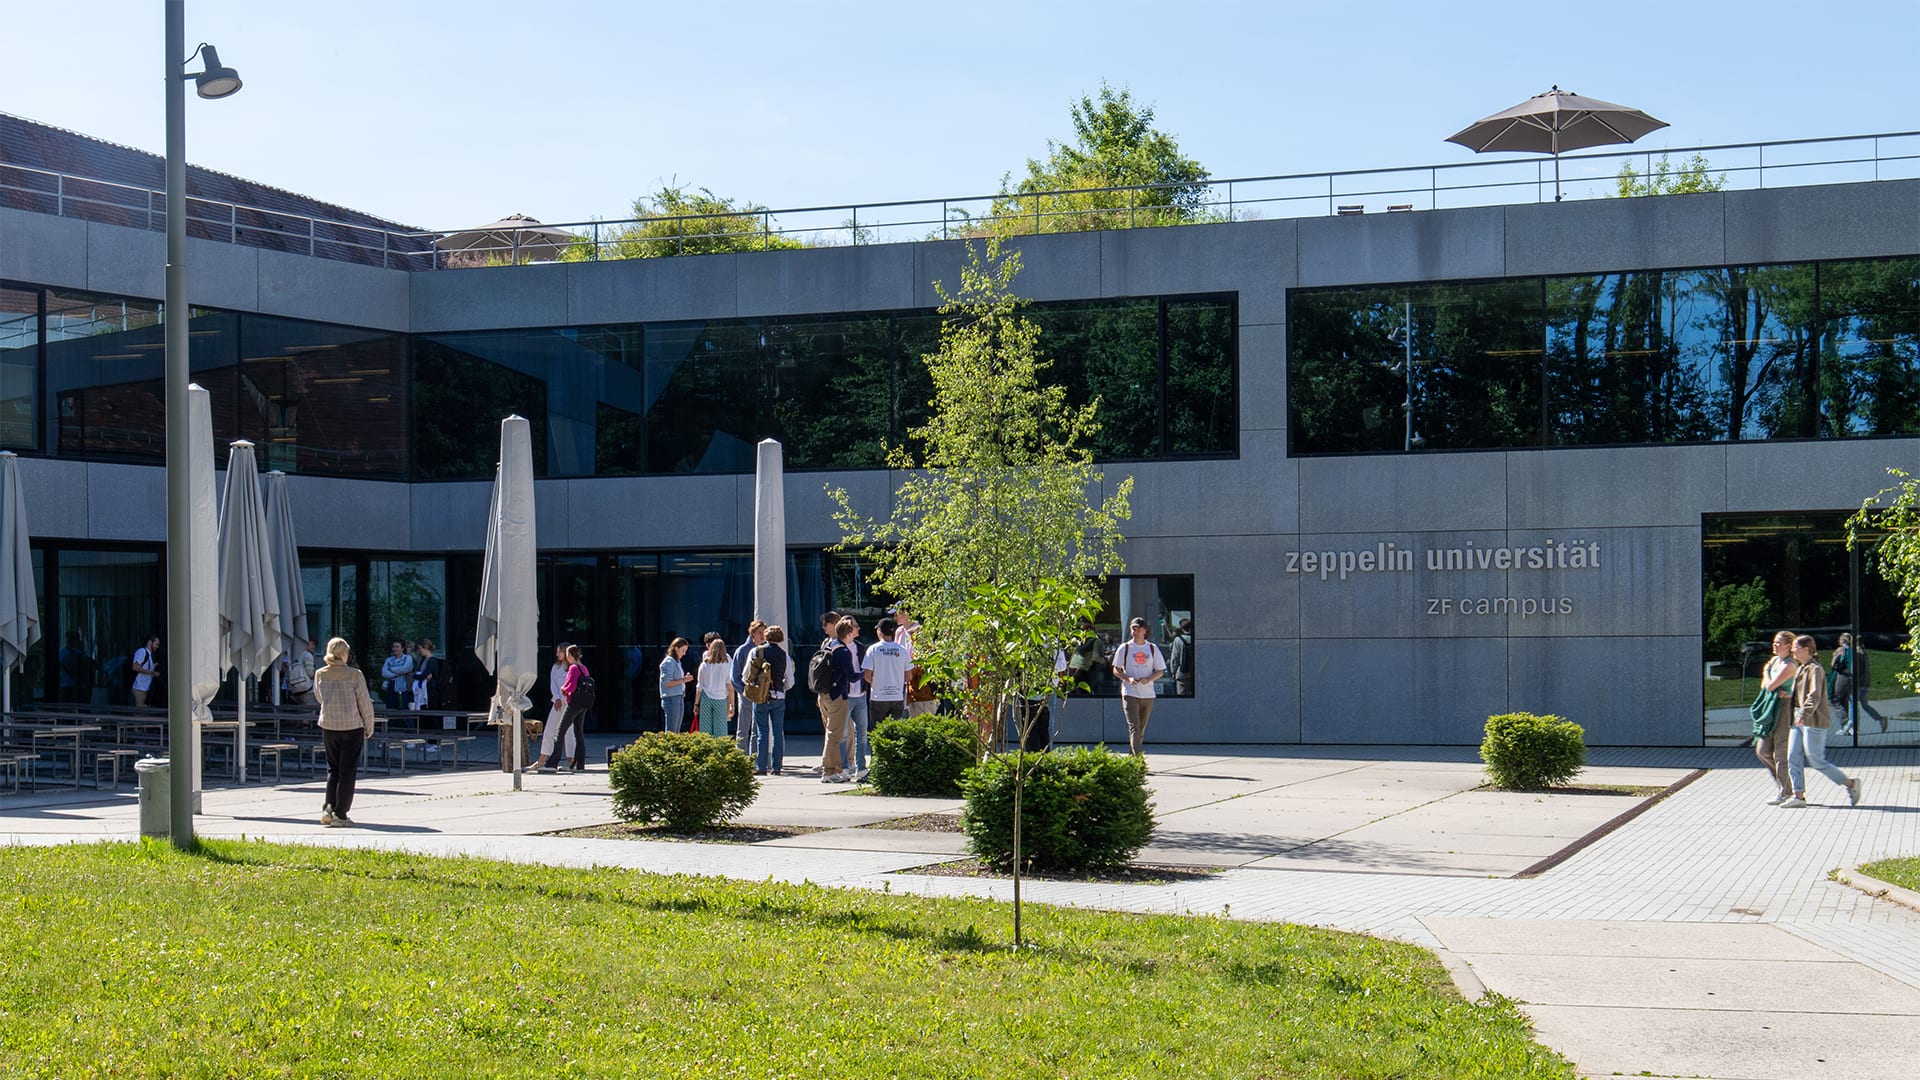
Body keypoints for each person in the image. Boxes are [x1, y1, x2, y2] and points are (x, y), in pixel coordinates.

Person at [1781, 635, 1862, 809]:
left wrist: (1804, 713)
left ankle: (1850, 784)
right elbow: (1802, 693)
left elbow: (1814, 695)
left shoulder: (1814, 669)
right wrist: (1789, 697)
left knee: (1816, 760)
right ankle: (1799, 796)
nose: (1792, 649)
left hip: (1812, 720)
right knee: (1792, 757)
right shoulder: (1802, 667)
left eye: (1795, 647)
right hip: (1798, 718)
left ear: (1805, 649)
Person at [314, 637, 376, 828]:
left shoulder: (320, 674)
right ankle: (341, 813)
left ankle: (329, 807)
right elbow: (364, 702)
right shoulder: (354, 675)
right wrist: (369, 726)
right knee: (347, 770)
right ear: (343, 654)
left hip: (329, 726)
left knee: (333, 768)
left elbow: (318, 697)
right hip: (351, 726)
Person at [1754, 630, 1798, 805]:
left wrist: (1767, 674)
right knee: (1762, 750)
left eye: (1778, 643)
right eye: (1774, 642)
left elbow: (1770, 685)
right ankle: (1784, 787)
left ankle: (1785, 791)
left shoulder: (1790, 665)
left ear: (1788, 646)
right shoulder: (1774, 662)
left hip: (1784, 709)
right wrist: (1767, 672)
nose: (1775, 645)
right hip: (1771, 708)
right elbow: (1765, 685)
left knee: (1780, 752)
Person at [1112, 617, 1167, 756]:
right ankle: (1138, 759)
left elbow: (1160, 671)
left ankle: (1132, 758)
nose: (1136, 631)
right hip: (1130, 692)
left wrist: (1148, 679)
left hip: (1148, 694)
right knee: (1134, 727)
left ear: (1145, 630)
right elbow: (1116, 669)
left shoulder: (1152, 648)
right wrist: (1128, 678)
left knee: (1141, 729)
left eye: (1139, 628)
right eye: (1133, 628)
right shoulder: (1124, 648)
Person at [817, 616, 858, 783]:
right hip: (837, 697)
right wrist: (867, 672)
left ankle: (836, 769)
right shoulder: (843, 651)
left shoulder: (829, 645)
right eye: (854, 629)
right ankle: (828, 771)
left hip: (824, 695)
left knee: (831, 733)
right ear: (848, 632)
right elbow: (852, 676)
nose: (858, 631)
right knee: (834, 735)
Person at [530, 643, 578, 773]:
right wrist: (556, 698)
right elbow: (554, 685)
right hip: (558, 702)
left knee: (569, 733)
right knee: (550, 730)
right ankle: (542, 760)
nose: (557, 654)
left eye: (559, 652)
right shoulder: (556, 667)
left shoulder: (573, 668)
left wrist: (565, 698)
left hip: (570, 703)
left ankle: (571, 761)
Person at [1829, 633, 1887, 736]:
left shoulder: (1855, 653)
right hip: (1866, 682)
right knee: (1864, 705)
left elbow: (1854, 669)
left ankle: (1853, 726)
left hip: (1858, 683)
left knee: (1853, 704)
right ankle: (1879, 718)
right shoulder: (1864, 653)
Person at [863, 617, 912, 739]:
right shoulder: (903, 651)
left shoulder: (873, 650)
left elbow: (867, 675)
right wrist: (896, 680)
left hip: (878, 697)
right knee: (895, 734)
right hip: (897, 696)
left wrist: (878, 683)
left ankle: (878, 757)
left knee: (877, 734)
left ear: (879, 631)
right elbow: (909, 676)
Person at [755, 626, 792, 775]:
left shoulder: (757, 651)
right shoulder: (785, 655)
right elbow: (790, 680)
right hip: (778, 696)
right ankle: (777, 767)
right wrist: (782, 687)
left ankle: (761, 766)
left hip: (760, 696)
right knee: (778, 732)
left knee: (762, 732)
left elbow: (747, 674)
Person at [551, 644, 593, 772]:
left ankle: (552, 763)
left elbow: (570, 686)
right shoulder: (584, 668)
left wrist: (563, 689)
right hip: (584, 704)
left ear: (569, 655)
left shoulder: (573, 668)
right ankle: (580, 764)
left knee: (560, 731)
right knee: (578, 733)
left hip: (573, 704)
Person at [731, 621, 769, 757]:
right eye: (760, 632)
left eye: (764, 632)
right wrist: (743, 692)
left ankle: (755, 760)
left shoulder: (766, 649)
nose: (762, 635)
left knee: (757, 729)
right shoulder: (742, 650)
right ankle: (740, 758)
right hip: (746, 695)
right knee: (743, 728)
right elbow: (734, 676)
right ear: (752, 633)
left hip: (760, 696)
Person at [696, 638, 736, 741]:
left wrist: (696, 704)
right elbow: (730, 687)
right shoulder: (727, 665)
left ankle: (706, 753)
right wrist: (732, 704)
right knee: (721, 730)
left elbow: (699, 687)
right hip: (721, 698)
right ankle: (720, 754)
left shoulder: (704, 665)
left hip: (706, 698)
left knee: (705, 731)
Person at [659, 638, 692, 733]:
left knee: (676, 730)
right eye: (683, 650)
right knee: (672, 731)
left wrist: (684, 679)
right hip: (671, 698)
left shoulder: (676, 661)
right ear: (676, 648)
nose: (684, 653)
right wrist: (683, 680)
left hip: (678, 697)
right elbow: (667, 683)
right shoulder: (668, 662)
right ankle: (668, 747)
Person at [379, 640, 414, 711]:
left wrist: (391, 669)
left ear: (403, 648)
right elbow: (384, 673)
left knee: (403, 710)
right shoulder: (388, 659)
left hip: (403, 688)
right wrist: (396, 674)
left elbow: (405, 669)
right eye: (393, 647)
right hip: (390, 686)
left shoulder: (408, 658)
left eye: (397, 647)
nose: (395, 649)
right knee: (391, 710)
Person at [286, 637, 317, 708]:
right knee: (309, 713)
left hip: (294, 689)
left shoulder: (295, 654)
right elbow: (310, 674)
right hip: (307, 690)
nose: (313, 647)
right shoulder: (308, 655)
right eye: (312, 644)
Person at [412, 639, 441, 711]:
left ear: (425, 647)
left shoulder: (432, 661)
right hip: (423, 690)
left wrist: (413, 675)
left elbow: (422, 676)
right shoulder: (423, 660)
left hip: (430, 692)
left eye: (420, 649)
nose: (419, 651)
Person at [131, 634, 159, 708]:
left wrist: (153, 667)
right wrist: (152, 672)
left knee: (143, 713)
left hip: (144, 689)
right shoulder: (142, 651)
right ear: (150, 642)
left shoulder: (149, 655)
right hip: (139, 689)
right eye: (156, 644)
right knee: (140, 714)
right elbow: (135, 667)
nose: (157, 647)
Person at [1168, 619, 1193, 697]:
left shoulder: (1178, 640)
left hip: (1182, 673)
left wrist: (1173, 672)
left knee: (1182, 696)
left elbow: (1175, 658)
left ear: (1182, 628)